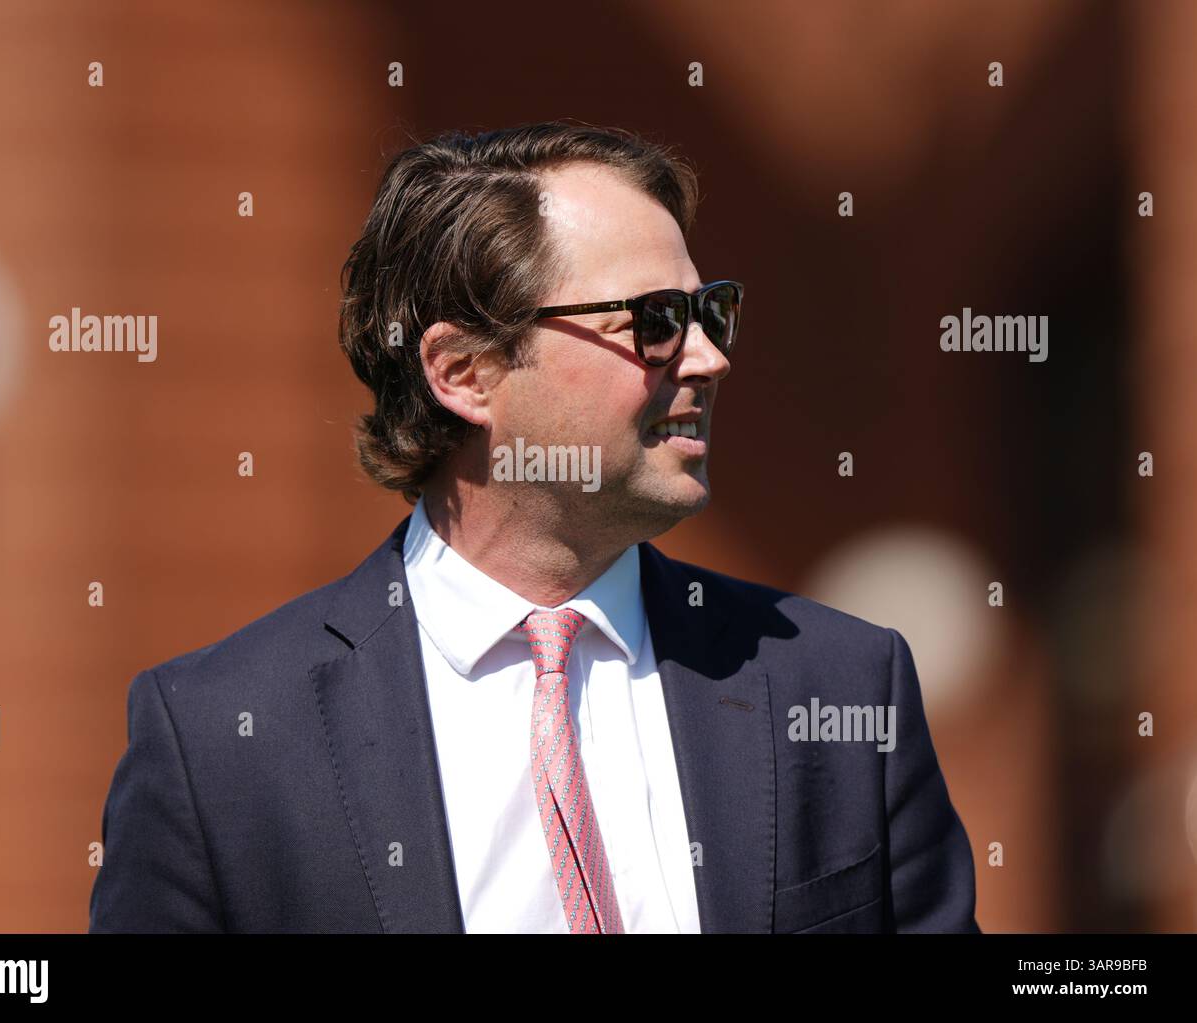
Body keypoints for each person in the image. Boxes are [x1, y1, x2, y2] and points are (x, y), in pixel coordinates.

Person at [88, 121, 979, 934]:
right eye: (655, 323)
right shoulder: (223, 740)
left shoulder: (842, 680)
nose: (709, 358)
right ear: (465, 372)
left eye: (710, 312)